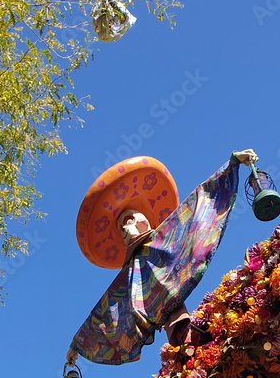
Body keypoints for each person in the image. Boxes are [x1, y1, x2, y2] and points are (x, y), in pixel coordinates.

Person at [66, 149, 259, 366]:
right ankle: (187, 355)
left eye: (131, 219)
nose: (128, 227)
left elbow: (200, 203)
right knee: (182, 343)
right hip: (159, 314)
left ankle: (198, 348)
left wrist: (232, 164)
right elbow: (108, 309)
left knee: (191, 335)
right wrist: (78, 346)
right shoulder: (130, 275)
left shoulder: (171, 233)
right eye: (122, 227)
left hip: (177, 292)